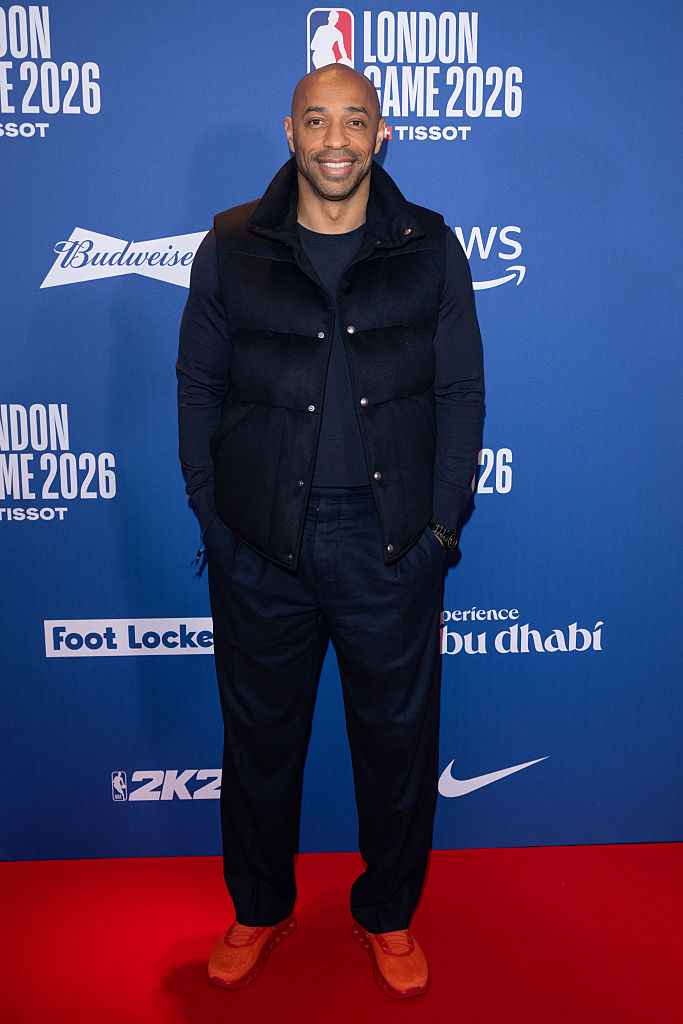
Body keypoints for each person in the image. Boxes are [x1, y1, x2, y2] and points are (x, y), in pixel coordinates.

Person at [176, 63, 484, 1000]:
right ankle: (259, 907)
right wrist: (212, 515)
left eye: (355, 121)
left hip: (388, 545)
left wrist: (439, 527)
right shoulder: (231, 245)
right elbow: (198, 387)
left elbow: (459, 394)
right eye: (318, 120)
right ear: (291, 131)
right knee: (258, 742)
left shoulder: (428, 247)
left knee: (394, 749)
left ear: (381, 133)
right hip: (261, 542)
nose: (337, 139)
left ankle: (387, 915)